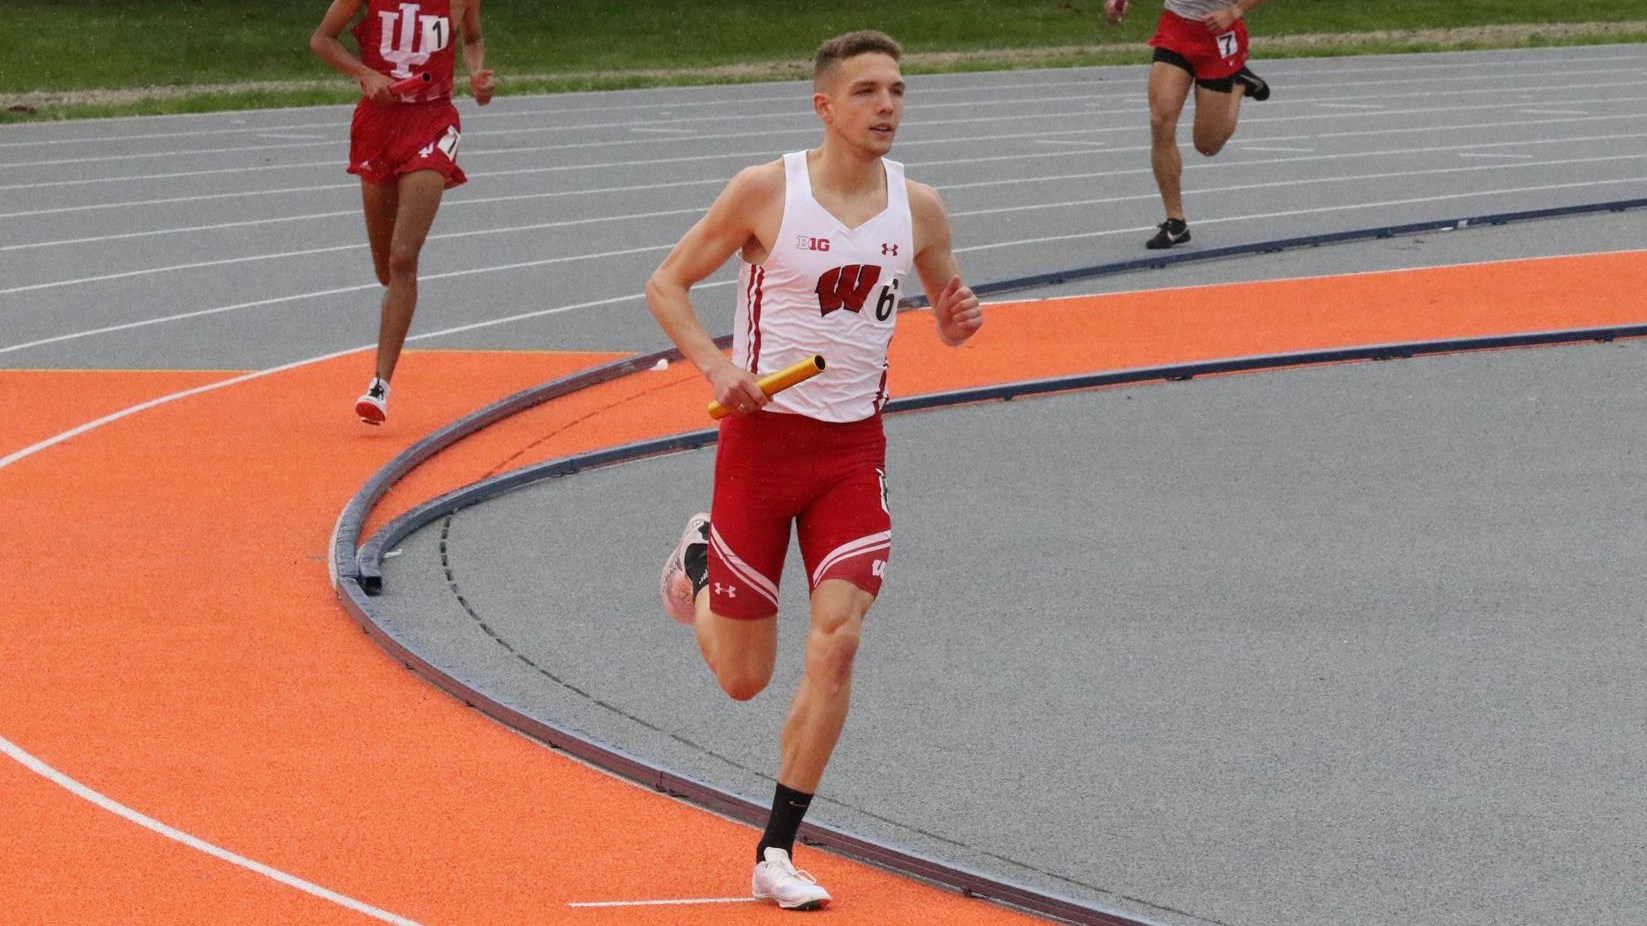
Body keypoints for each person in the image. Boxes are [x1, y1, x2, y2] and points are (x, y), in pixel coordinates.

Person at [645, 30, 982, 910]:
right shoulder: (766, 191)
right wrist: (717, 367)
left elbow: (947, 307)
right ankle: (700, 559)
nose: (886, 105)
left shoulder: (920, 207)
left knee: (837, 642)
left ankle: (776, 850)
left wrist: (957, 321)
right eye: (866, 91)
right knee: (743, 679)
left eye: (896, 90)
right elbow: (666, 285)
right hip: (760, 450)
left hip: (851, 454)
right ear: (824, 106)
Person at [310, 0, 495, 424]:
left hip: (433, 121)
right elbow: (322, 39)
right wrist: (365, 74)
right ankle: (398, 307)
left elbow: (473, 38)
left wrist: (477, 74)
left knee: (403, 256)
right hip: (377, 123)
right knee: (386, 269)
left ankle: (379, 385)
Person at [1106, 0, 1271, 249]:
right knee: (1160, 121)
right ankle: (1176, 222)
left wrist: (1234, 11)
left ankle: (1239, 84)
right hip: (1176, 29)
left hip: (1218, 36)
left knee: (1207, 145)